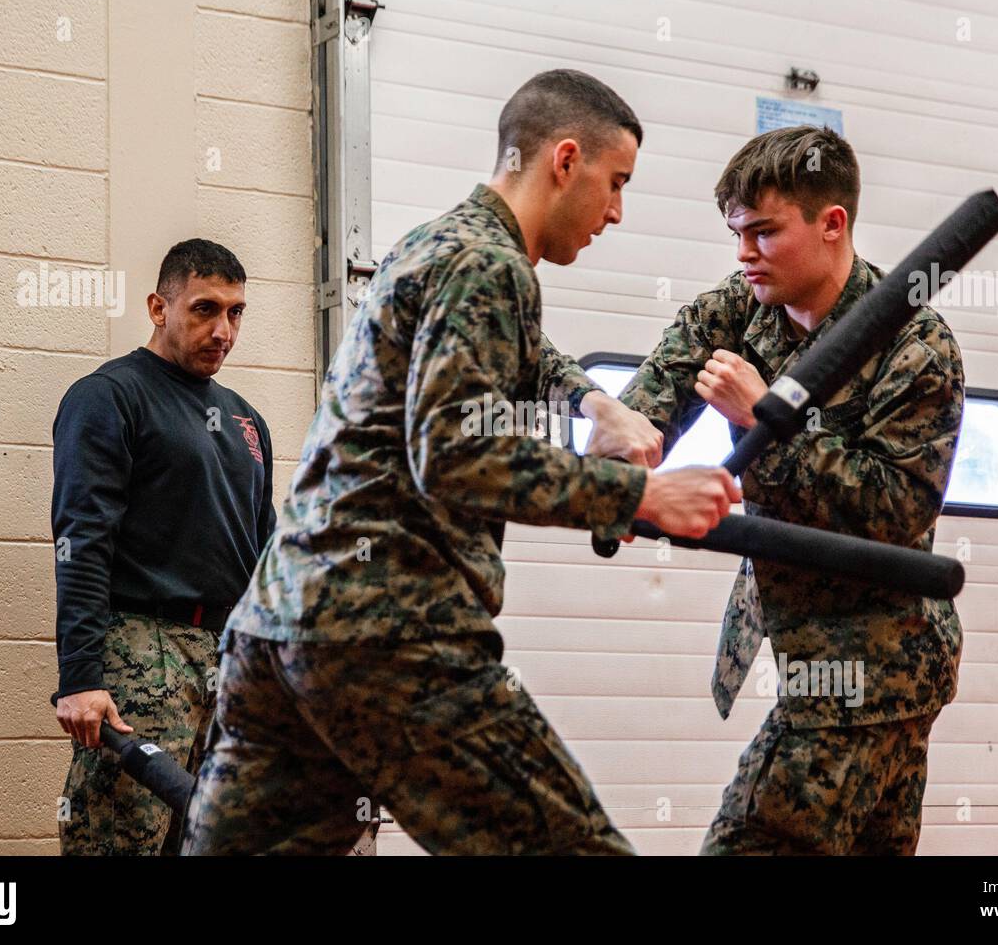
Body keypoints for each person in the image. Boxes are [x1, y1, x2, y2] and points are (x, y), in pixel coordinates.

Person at [181, 69, 739, 855]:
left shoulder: (435, 246)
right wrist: (639, 496)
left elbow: (517, 352)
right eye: (616, 184)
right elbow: (454, 455)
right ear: (565, 159)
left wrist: (593, 402)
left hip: (282, 632)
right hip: (390, 635)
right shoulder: (493, 266)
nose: (617, 212)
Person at [608, 125, 965, 854]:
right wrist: (618, 472)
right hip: (810, 653)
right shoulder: (742, 308)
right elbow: (654, 395)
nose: (744, 253)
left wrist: (766, 417)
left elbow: (892, 512)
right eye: (737, 233)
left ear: (832, 224)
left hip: (877, 668)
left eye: (764, 233)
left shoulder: (916, 346)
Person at [51, 239, 276, 855]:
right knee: (123, 839)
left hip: (225, 663)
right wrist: (81, 676)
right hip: (140, 655)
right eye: (204, 309)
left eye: (235, 313)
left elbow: (267, 558)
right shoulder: (110, 397)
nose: (222, 330)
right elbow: (82, 540)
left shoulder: (247, 421)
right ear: (158, 307)